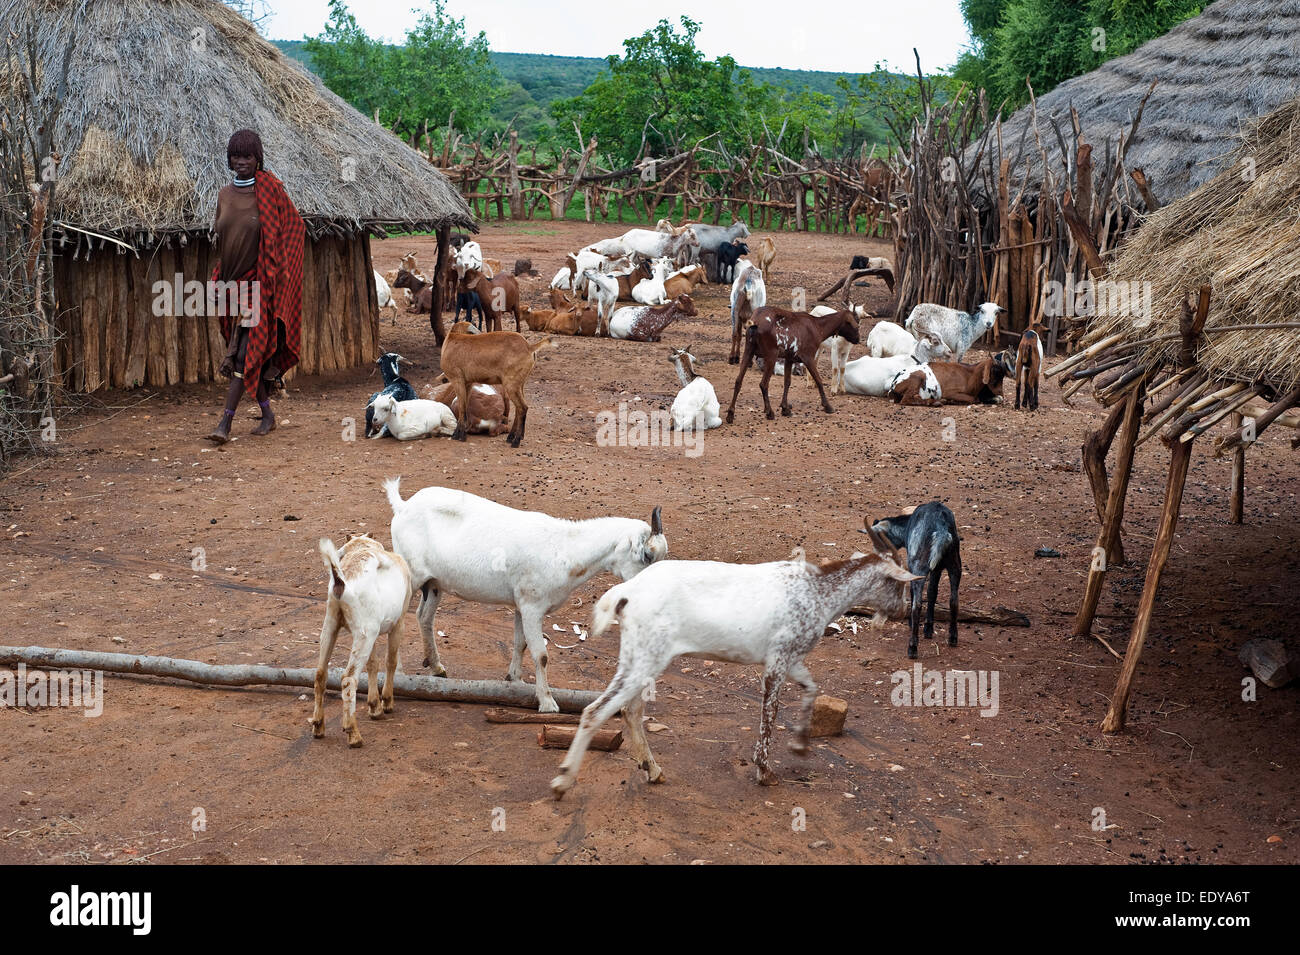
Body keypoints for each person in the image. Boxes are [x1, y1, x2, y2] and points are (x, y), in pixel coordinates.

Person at [206, 129, 304, 443]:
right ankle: (268, 414)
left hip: (260, 284)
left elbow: (293, 229)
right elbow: (224, 237)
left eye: (247, 155)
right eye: (236, 155)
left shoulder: (271, 191)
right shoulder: (224, 194)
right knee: (245, 355)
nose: (241, 161)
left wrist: (276, 272)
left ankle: (225, 424)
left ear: (257, 157)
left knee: (242, 354)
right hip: (230, 284)